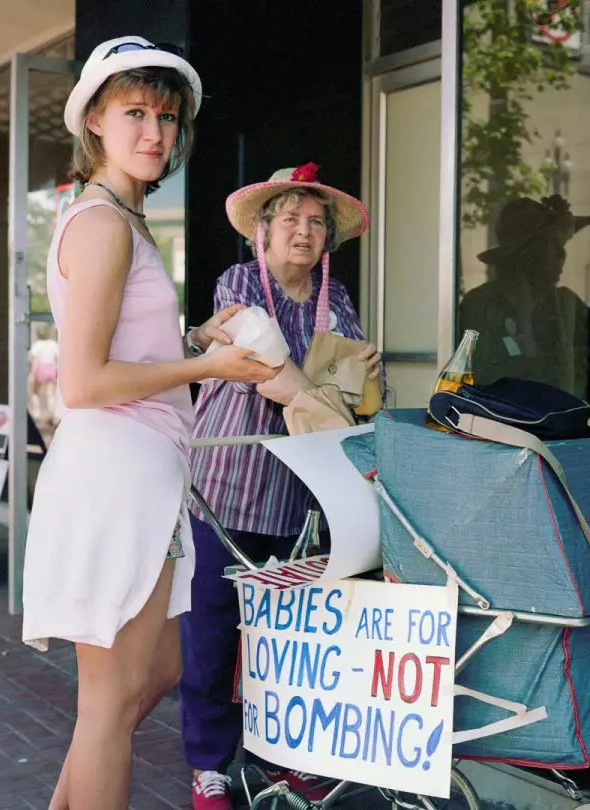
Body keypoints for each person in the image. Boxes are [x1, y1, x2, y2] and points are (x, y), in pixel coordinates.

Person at [20, 36, 279, 810]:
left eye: (166, 116)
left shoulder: (121, 220)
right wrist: (208, 368)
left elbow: (123, 352)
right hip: (114, 474)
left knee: (156, 672)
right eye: (133, 112)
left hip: (143, 472)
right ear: (94, 119)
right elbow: (87, 380)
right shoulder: (100, 223)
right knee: (107, 709)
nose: (154, 133)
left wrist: (196, 339)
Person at [181, 163, 381, 809]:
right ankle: (210, 765)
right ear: (262, 232)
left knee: (284, 637)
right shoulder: (239, 282)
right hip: (229, 480)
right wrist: (322, 387)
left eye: (316, 221)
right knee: (211, 632)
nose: (304, 230)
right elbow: (266, 367)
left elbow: (354, 398)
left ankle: (277, 757)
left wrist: (358, 379)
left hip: (300, 493)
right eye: (290, 219)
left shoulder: (338, 298)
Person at [459, 194, 590, 408]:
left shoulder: (566, 305)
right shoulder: (481, 306)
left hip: (557, 431)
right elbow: (482, 380)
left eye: (561, 243)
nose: (561, 254)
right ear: (524, 253)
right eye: (550, 243)